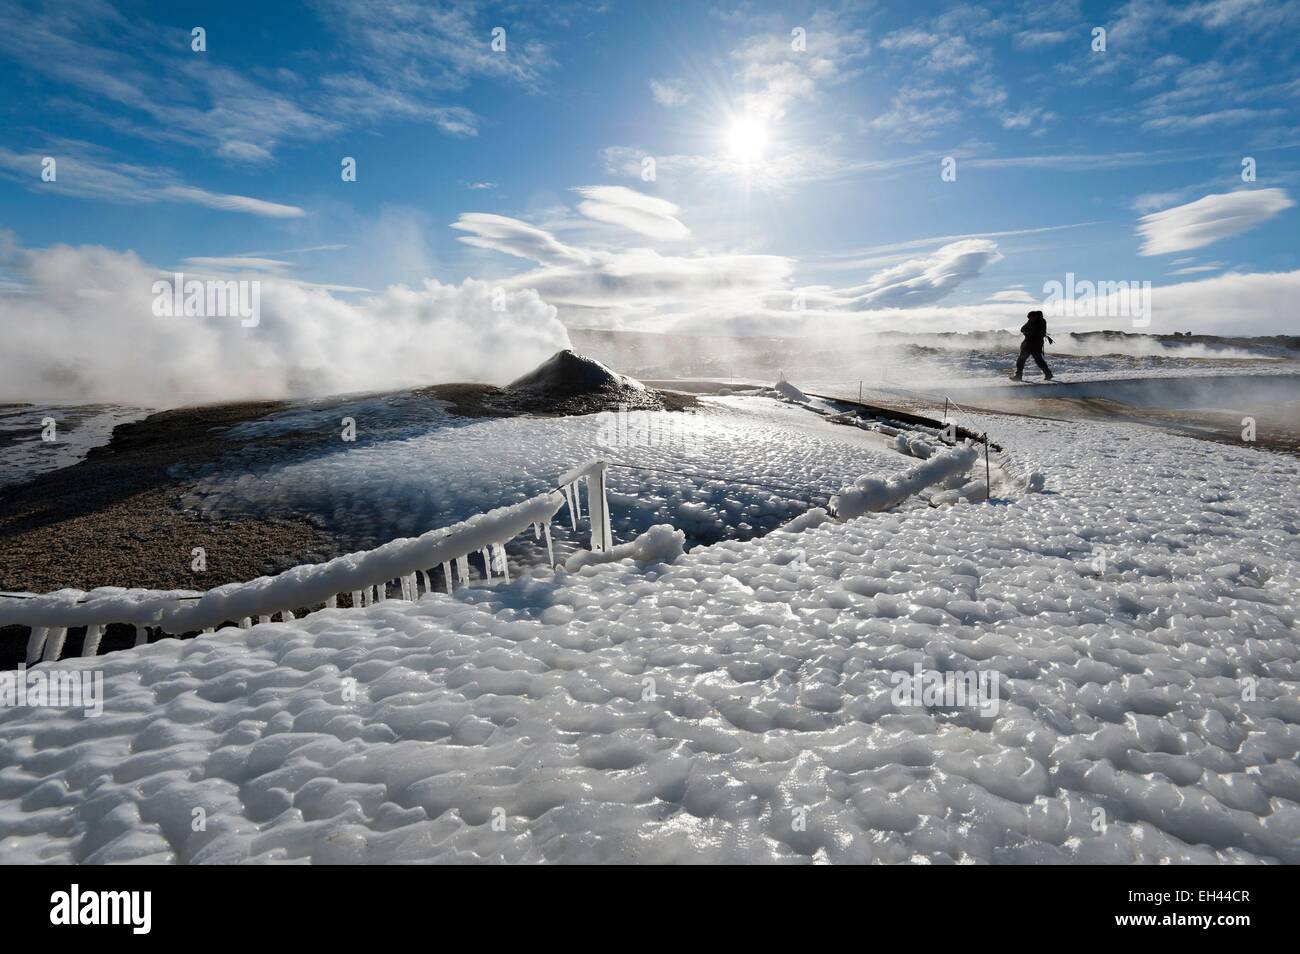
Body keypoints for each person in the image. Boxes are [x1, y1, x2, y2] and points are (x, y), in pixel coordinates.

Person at [1012, 309, 1053, 381]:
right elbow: (1022, 329)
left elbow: (1037, 333)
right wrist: (1027, 331)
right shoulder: (1031, 321)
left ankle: (1048, 374)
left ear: (1035, 316)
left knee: (1038, 361)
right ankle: (1018, 376)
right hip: (1028, 345)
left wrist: (1027, 333)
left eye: (1031, 317)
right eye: (1029, 318)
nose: (1030, 319)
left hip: (1035, 346)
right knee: (1021, 361)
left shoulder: (1041, 322)